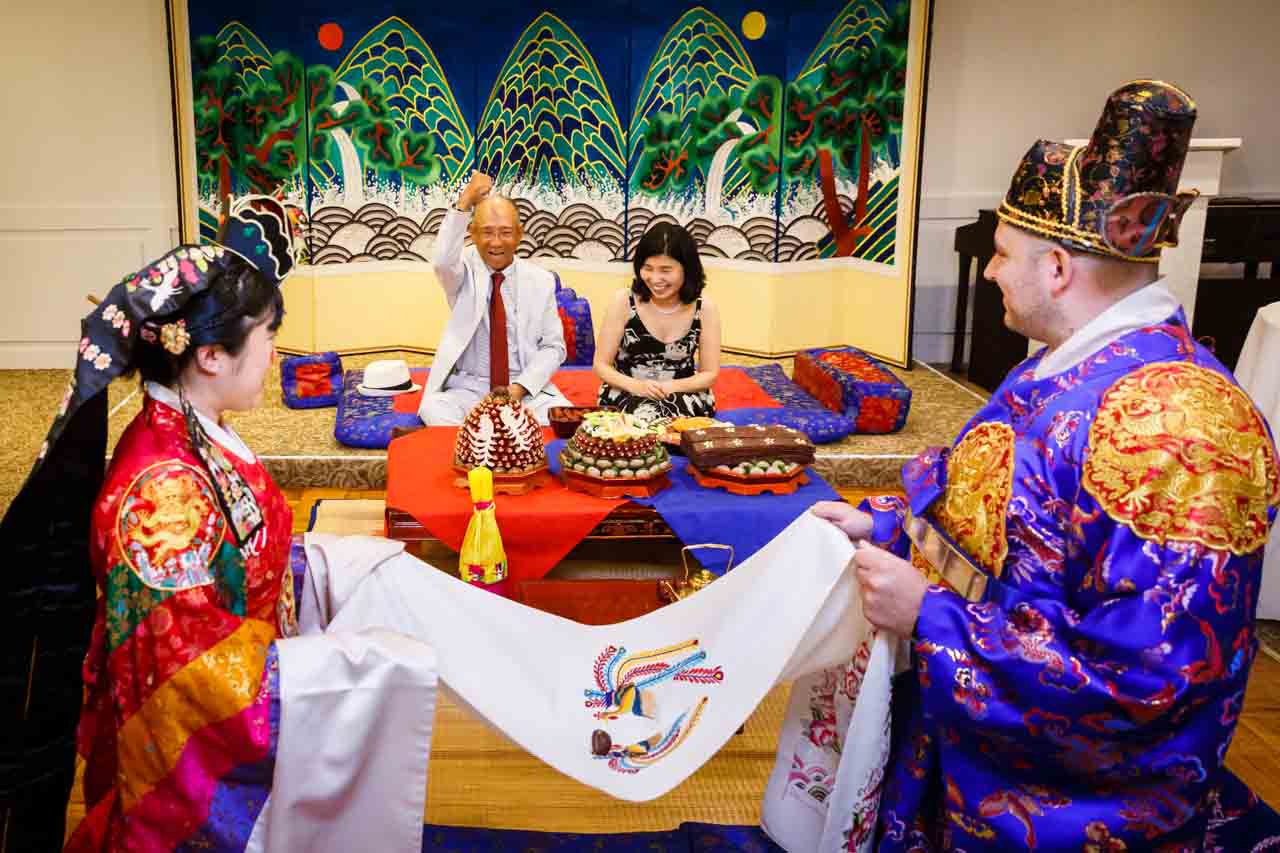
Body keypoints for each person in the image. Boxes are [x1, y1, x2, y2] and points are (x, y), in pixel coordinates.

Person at [811, 80, 1280, 850]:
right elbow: (998, 523)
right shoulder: (1060, 370)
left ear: (1058, 267)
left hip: (1076, 814)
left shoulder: (1186, 426)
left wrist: (932, 618)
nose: (990, 272)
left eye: (1001, 255)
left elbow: (1147, 674)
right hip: (976, 767)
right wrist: (886, 527)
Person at [0, 197, 438, 852]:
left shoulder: (197, 434)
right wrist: (352, 667)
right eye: (267, 335)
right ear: (208, 355)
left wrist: (313, 562)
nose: (273, 353)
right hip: (189, 785)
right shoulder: (162, 499)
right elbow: (195, 682)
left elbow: (239, 557)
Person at [420, 171, 571, 425]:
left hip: (523, 388)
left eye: (505, 232)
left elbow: (553, 347)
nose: (496, 242)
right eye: (487, 232)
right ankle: (477, 449)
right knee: (434, 410)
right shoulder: (461, 271)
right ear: (473, 233)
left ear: (519, 233)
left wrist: (520, 388)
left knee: (562, 414)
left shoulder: (541, 281)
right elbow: (443, 261)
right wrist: (466, 200)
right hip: (469, 389)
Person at [593, 222, 721, 421]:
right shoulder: (623, 301)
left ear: (687, 269)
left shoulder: (704, 307)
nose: (654, 278)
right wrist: (638, 387)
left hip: (681, 391)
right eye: (648, 268)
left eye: (665, 270)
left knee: (682, 423)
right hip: (628, 389)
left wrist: (669, 387)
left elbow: (709, 373)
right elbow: (601, 365)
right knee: (637, 420)